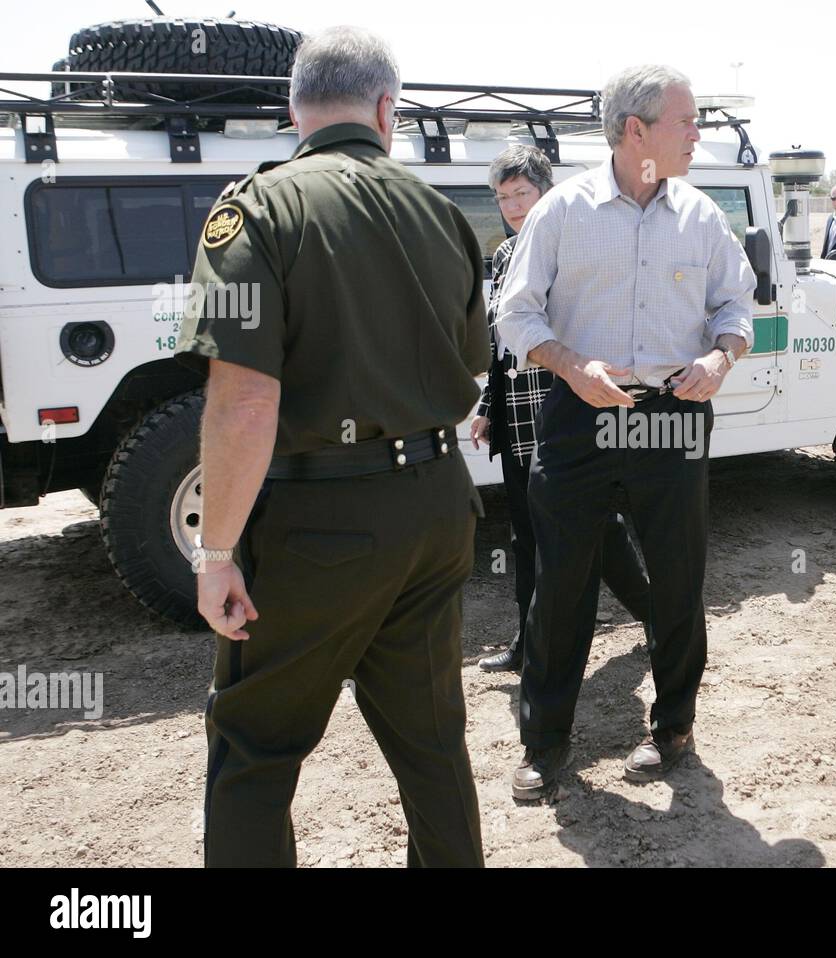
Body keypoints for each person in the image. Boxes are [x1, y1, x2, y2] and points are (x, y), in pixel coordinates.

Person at [175, 26, 488, 866]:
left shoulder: (260, 209)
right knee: (431, 745)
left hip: (317, 523)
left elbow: (243, 401)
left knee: (256, 745)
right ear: (389, 109)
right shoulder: (443, 212)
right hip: (434, 505)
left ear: (293, 109)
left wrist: (216, 553)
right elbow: (469, 363)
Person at [496, 64, 755, 798]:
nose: (698, 133)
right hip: (579, 413)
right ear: (635, 132)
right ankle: (544, 746)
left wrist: (719, 355)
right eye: (687, 120)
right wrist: (573, 367)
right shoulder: (562, 212)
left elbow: (737, 306)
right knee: (562, 585)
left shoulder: (702, 217)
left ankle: (672, 726)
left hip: (671, 415)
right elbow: (516, 315)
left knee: (677, 577)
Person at [469, 145, 652, 673]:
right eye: (503, 197)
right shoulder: (506, 256)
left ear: (545, 191)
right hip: (518, 422)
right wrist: (489, 406)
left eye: (521, 193)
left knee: (600, 532)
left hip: (565, 418)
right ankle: (527, 644)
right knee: (527, 536)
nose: (512, 205)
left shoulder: (571, 246)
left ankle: (656, 616)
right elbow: (507, 344)